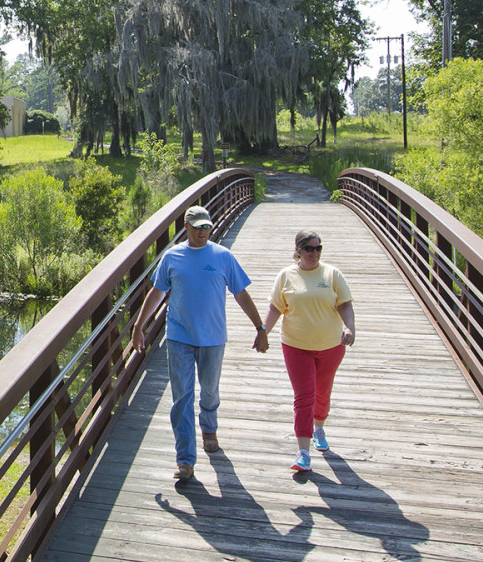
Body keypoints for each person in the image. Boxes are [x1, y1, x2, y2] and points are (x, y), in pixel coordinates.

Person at [132, 203, 269, 482]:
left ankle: (209, 428)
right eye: (198, 227)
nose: (204, 231)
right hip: (179, 336)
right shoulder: (172, 257)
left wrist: (260, 327)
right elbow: (157, 293)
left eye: (207, 226)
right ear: (187, 228)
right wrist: (139, 326)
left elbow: (240, 293)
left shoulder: (222, 256)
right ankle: (185, 459)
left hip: (213, 337)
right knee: (182, 398)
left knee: (209, 391)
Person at [262, 229, 355, 474]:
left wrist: (350, 328)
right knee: (304, 396)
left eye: (318, 248)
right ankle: (303, 451)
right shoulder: (286, 276)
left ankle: (319, 427)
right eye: (309, 248)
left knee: (322, 393)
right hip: (296, 345)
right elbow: (275, 308)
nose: (315, 253)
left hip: (331, 346)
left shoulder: (332, 273)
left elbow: (345, 304)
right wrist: (263, 332)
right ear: (298, 250)